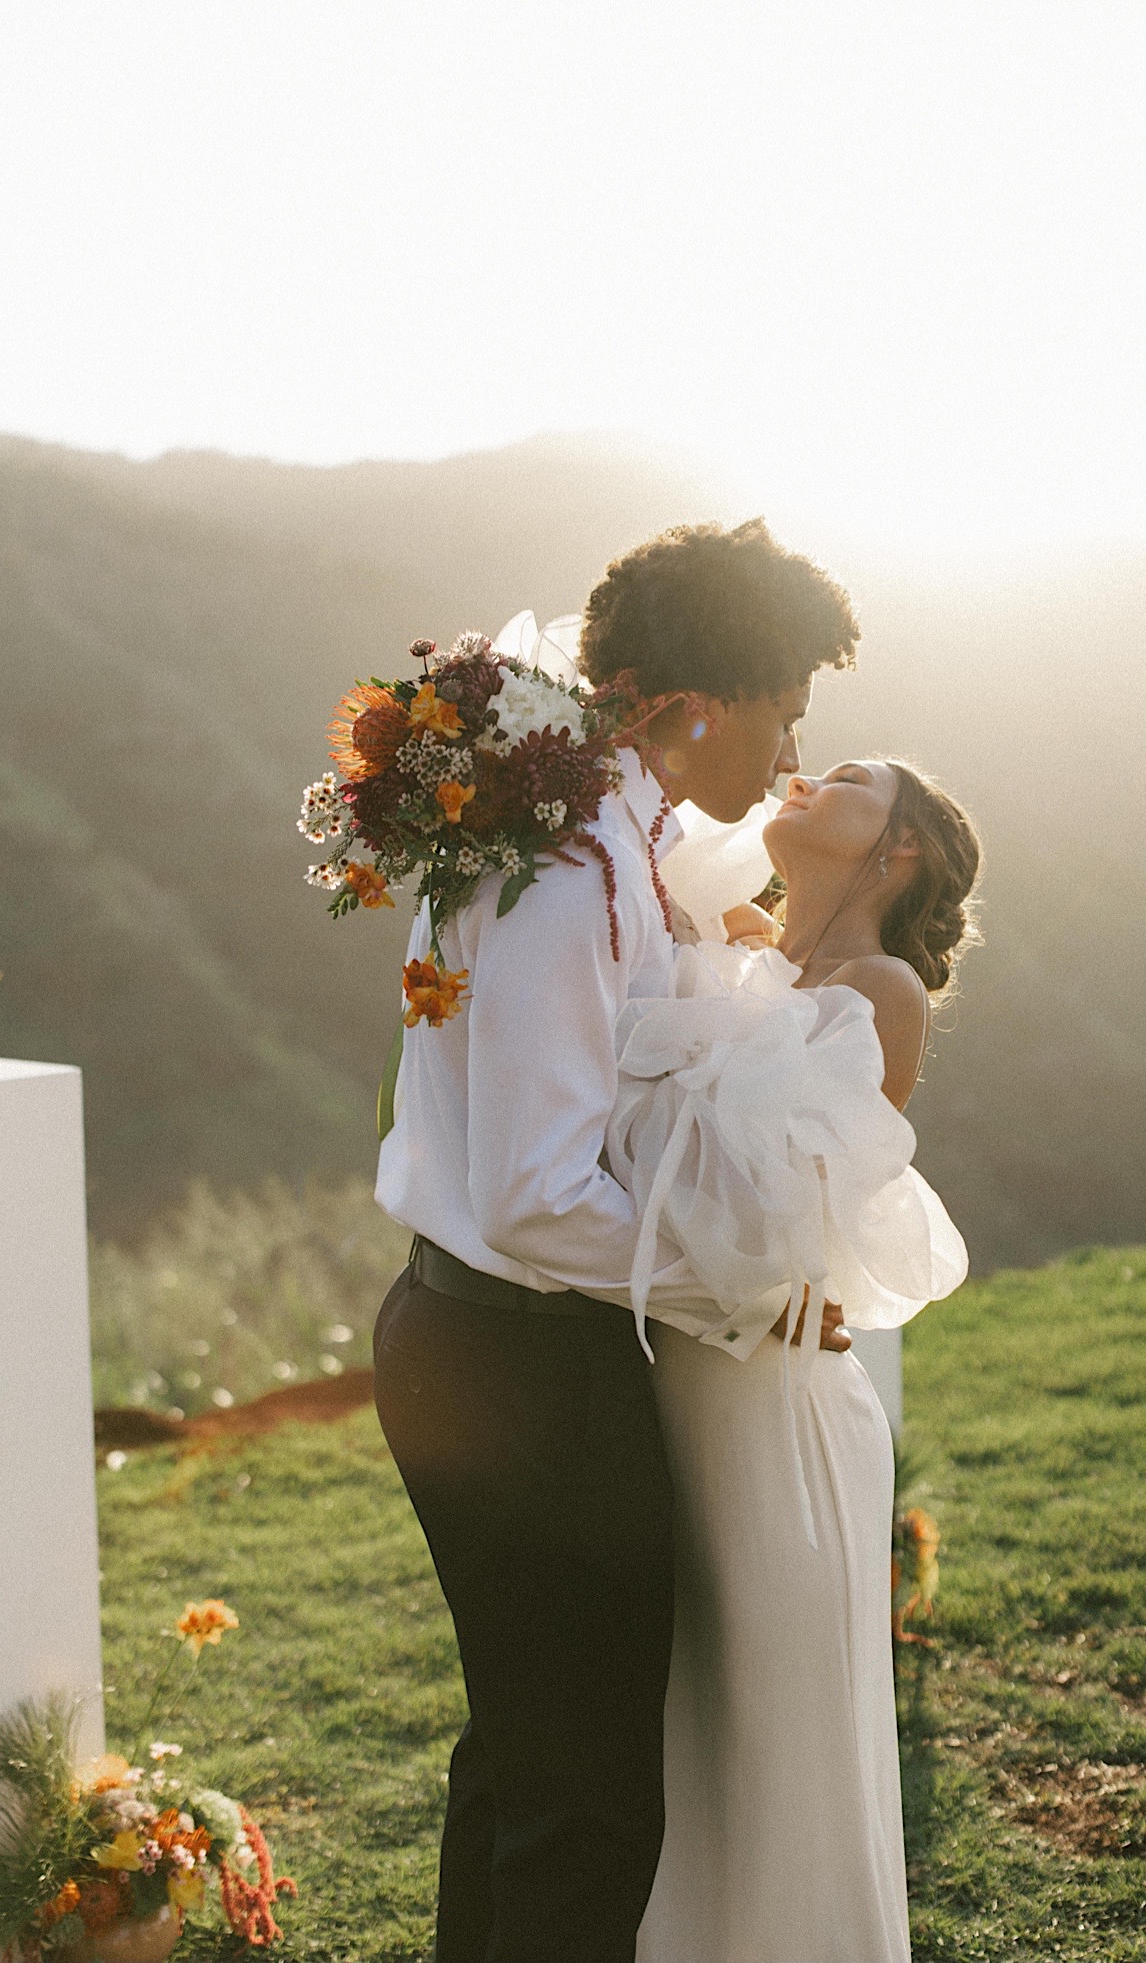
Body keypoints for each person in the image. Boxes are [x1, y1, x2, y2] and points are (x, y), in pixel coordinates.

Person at [372, 520, 860, 1963]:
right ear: (695, 699)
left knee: (526, 1760)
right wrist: (739, 1283)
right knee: (587, 1798)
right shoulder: (569, 868)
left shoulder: (601, 830)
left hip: (485, 1341)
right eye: (783, 708)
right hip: (520, 1371)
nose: (789, 752)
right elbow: (530, 1191)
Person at [633, 756, 981, 1963]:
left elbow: (793, 1214)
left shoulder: (880, 989)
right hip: (678, 1384)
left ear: (902, 853)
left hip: (776, 1408)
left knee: (779, 1730)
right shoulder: (731, 950)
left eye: (845, 778)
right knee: (686, 1724)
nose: (801, 773)